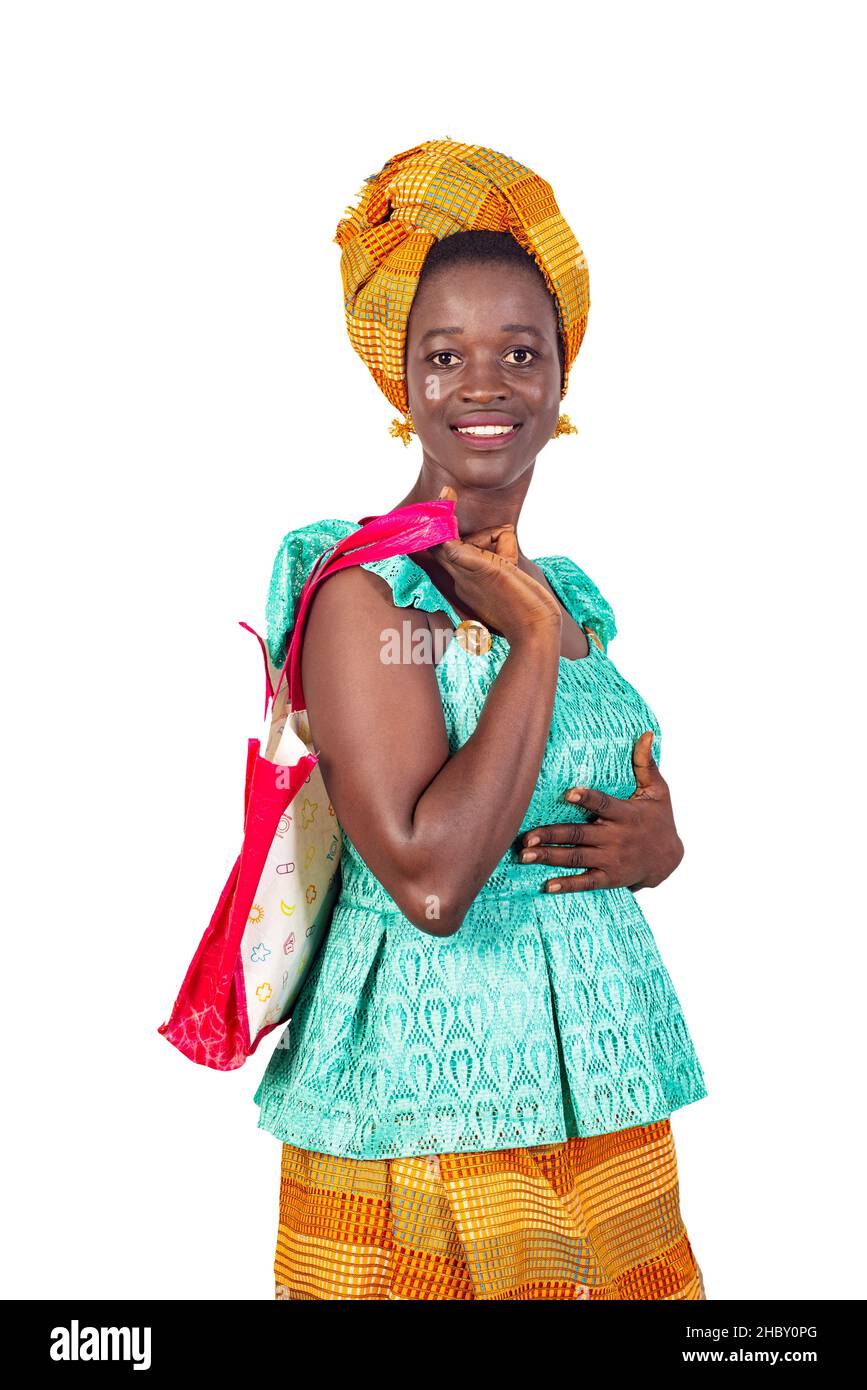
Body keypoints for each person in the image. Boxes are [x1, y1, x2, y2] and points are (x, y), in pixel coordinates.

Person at [253, 139, 708, 1300]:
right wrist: (528, 646)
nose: (485, 384)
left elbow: (580, 799)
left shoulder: (564, 595)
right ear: (404, 385)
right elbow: (433, 883)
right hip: (424, 1121)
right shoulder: (365, 594)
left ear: (562, 382)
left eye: (521, 351)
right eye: (444, 356)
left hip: (594, 1098)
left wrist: (657, 847)